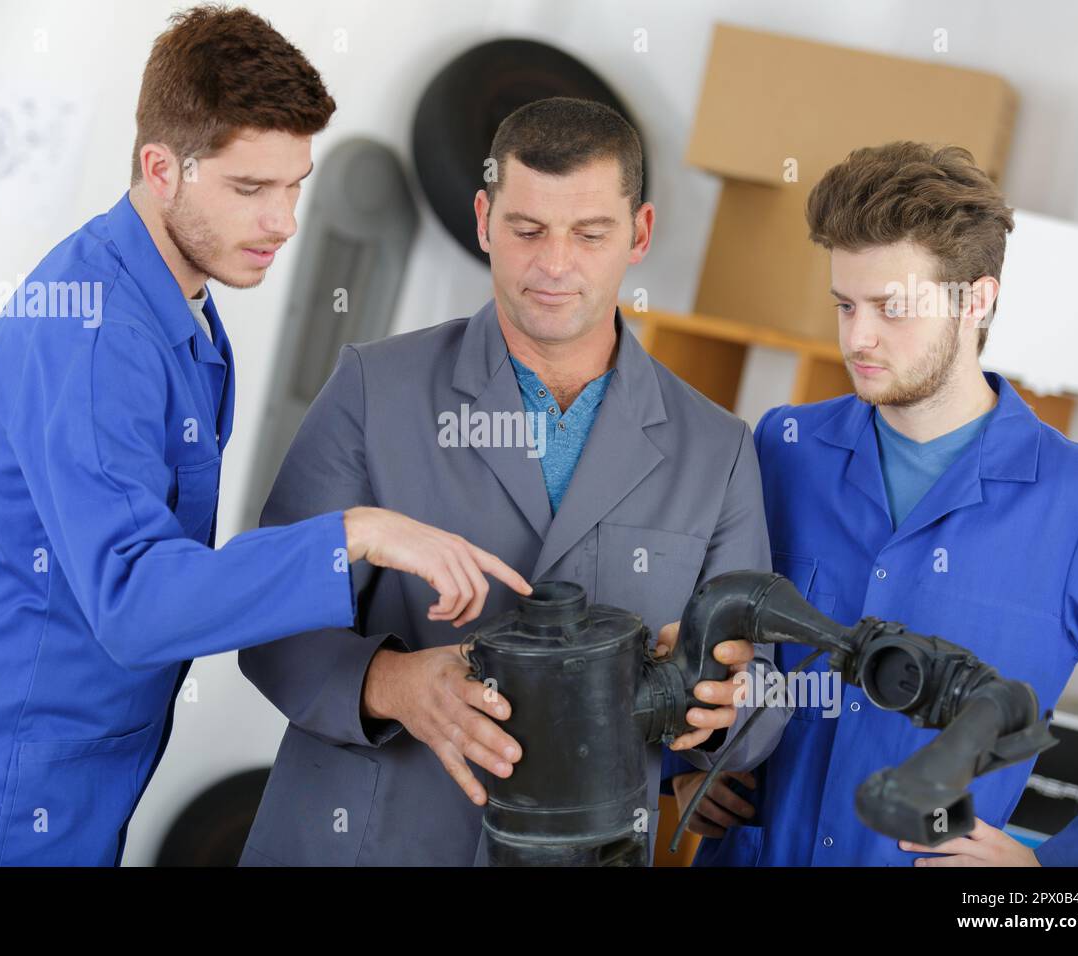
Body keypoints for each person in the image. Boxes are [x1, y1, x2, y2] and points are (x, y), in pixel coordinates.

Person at [0, 5, 528, 867]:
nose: (283, 221)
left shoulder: (182, 312)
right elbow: (135, 601)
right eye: (251, 189)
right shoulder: (95, 332)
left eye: (296, 184)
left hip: (67, 789)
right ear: (160, 167)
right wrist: (358, 534)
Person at [236, 97, 786, 866]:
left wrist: (727, 707)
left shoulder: (718, 449)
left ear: (640, 234)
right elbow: (265, 616)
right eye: (527, 230)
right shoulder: (374, 389)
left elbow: (756, 692)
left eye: (590, 234)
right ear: (484, 219)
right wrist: (392, 683)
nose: (555, 265)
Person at [668, 141, 1078, 866]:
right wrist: (687, 767)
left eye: (892, 308)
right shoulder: (783, 449)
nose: (858, 337)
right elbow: (698, 635)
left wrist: (1051, 862)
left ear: (975, 298)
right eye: (845, 305)